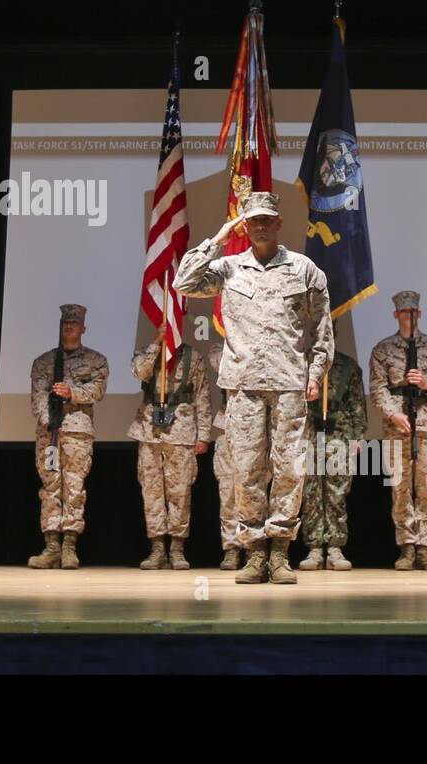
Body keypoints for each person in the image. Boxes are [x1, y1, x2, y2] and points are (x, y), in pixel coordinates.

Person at [174, 191, 333, 585]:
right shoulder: (228, 268)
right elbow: (183, 282)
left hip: (289, 384)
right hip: (243, 386)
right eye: (253, 220)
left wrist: (314, 375)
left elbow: (322, 331)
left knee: (289, 469)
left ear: (279, 223)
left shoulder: (304, 269)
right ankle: (254, 552)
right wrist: (219, 237)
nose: (260, 225)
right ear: (245, 226)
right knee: (246, 470)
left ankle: (279, 553)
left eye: (267, 219)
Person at [369, 290, 427, 570]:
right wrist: (392, 413)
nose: (409, 316)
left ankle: (425, 548)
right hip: (398, 427)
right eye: (404, 312)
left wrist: (426, 383)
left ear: (419, 314)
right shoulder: (383, 349)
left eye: (413, 312)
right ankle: (406, 547)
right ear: (396, 315)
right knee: (400, 488)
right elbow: (377, 387)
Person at [27, 303, 108, 569]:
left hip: (77, 432)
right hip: (50, 433)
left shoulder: (96, 361)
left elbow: (97, 391)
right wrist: (48, 419)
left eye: (74, 323)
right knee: (50, 487)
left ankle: (70, 546)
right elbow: (38, 394)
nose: (69, 327)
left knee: (74, 488)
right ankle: (51, 546)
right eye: (65, 324)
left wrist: (70, 392)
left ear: (83, 328)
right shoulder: (44, 361)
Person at [128, 326, 212, 570]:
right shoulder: (145, 353)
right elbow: (140, 373)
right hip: (149, 431)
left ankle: (176, 549)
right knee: (152, 492)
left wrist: (204, 436)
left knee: (180, 493)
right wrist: (156, 345)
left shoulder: (193, 358)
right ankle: (157, 549)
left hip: (182, 433)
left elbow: (202, 398)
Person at [298, 350, 367, 571]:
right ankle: (315, 548)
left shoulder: (348, 366)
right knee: (311, 493)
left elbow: (357, 404)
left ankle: (335, 548)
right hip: (309, 431)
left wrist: (358, 437)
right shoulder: (301, 362)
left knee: (336, 492)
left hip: (339, 433)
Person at [207, 339, 242, 570]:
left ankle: (254, 547)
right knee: (228, 491)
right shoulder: (221, 347)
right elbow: (224, 367)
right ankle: (232, 548)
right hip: (228, 424)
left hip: (257, 425)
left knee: (254, 491)